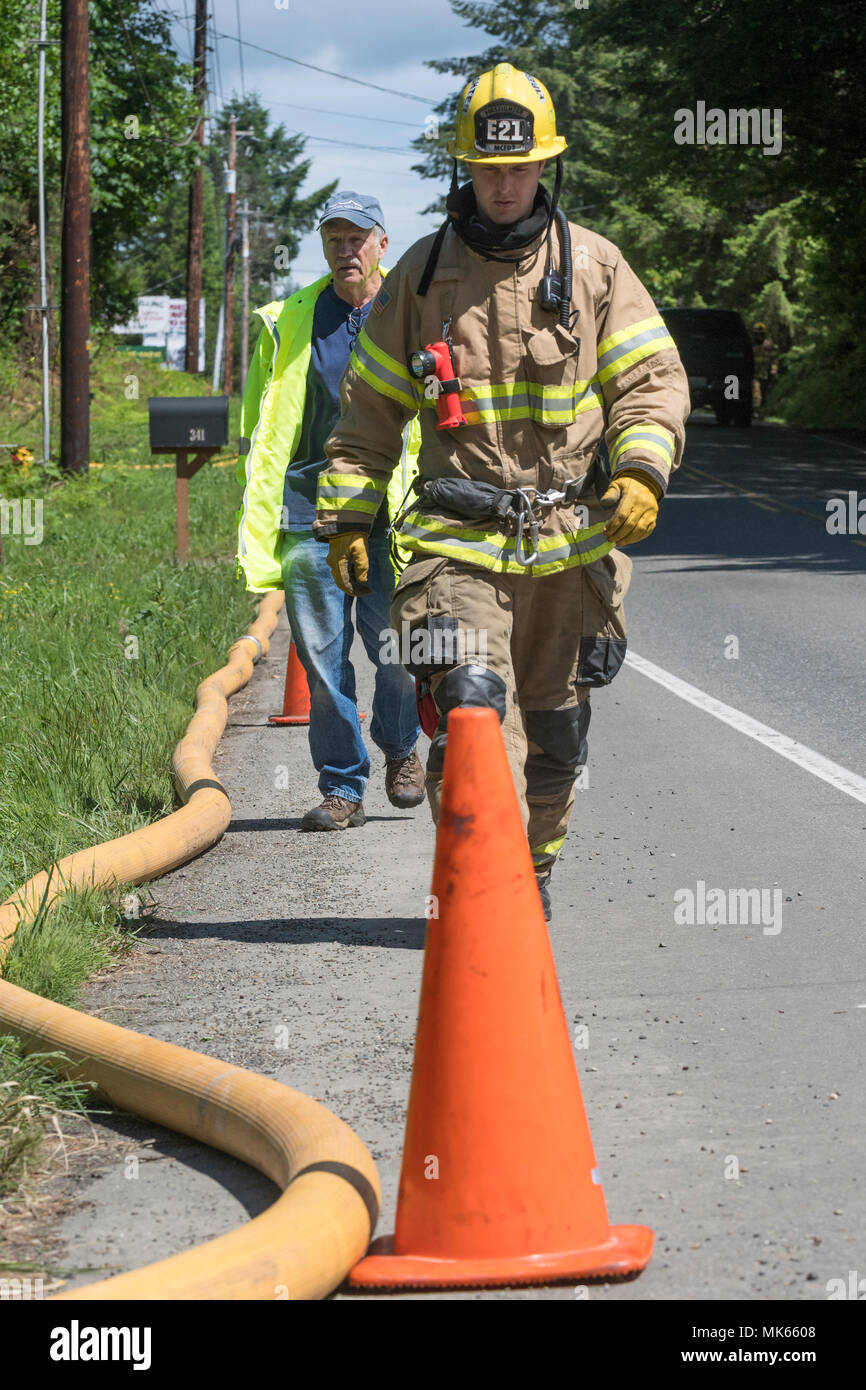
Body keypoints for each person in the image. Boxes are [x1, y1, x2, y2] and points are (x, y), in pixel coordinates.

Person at [312, 66, 690, 917]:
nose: (507, 184)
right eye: (490, 169)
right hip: (455, 540)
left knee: (556, 729)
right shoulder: (418, 276)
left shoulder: (595, 267)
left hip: (569, 543)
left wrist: (639, 468)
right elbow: (369, 407)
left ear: (545, 167)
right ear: (466, 171)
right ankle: (485, 888)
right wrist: (347, 517)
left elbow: (652, 382)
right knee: (473, 702)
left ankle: (534, 874)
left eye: (521, 169)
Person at [235, 191, 424, 831]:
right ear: (324, 247)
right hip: (307, 510)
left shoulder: (411, 311)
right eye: (334, 240)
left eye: (357, 239)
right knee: (321, 658)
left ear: (381, 245)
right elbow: (264, 417)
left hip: (384, 508)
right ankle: (343, 786)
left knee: (394, 648)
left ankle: (401, 749)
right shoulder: (292, 318)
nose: (346, 250)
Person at [751, 320, 778, 416]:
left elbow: (774, 358)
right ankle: (755, 410)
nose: (759, 336)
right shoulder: (751, 344)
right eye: (757, 334)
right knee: (756, 390)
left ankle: (761, 410)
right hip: (754, 372)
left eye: (761, 334)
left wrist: (774, 369)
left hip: (766, 373)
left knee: (764, 392)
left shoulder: (769, 345)